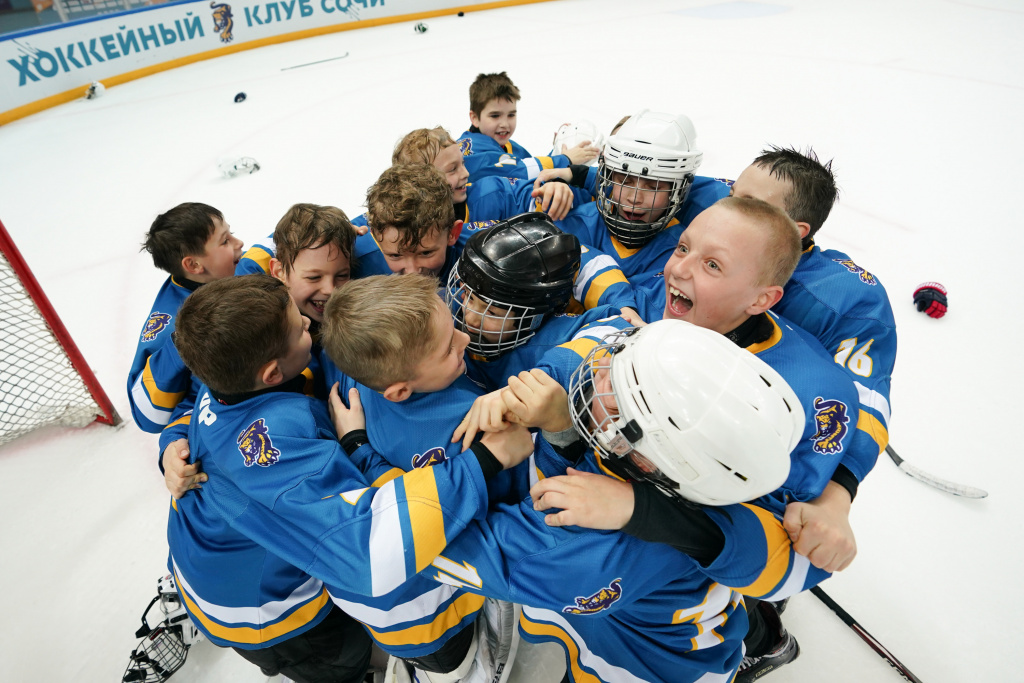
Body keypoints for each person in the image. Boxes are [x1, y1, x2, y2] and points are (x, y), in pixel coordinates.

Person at [166, 274, 533, 681]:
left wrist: (172, 440)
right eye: (298, 327)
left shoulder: (225, 382)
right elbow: (370, 548)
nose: (309, 323)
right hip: (265, 612)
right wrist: (482, 461)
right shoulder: (280, 442)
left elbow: (199, 415)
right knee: (342, 661)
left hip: (208, 565)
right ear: (271, 372)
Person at [431, 319, 831, 683]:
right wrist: (563, 427)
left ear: (642, 458)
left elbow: (412, 548)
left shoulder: (594, 549)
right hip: (688, 628)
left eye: (618, 394)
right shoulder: (709, 472)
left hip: (641, 669)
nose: (596, 373)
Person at [729, 146, 896, 476]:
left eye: (745, 203)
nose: (724, 208)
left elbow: (865, 402)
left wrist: (837, 491)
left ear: (796, 230)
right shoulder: (725, 213)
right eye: (732, 193)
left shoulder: (850, 298)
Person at [128, 202, 243, 499]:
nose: (239, 243)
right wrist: (186, 338)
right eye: (226, 241)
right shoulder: (172, 324)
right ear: (193, 265)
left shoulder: (228, 271)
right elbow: (147, 415)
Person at [443, 212, 635, 390]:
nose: (471, 317)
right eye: (467, 296)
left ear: (530, 318)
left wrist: (546, 378)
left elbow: (617, 329)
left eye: (492, 312)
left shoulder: (550, 339)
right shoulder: (446, 307)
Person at [553, 109, 725, 286]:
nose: (635, 198)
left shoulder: (683, 254)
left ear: (678, 191)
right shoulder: (573, 222)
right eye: (624, 181)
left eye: (653, 187)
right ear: (609, 177)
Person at [386, 126, 586, 224]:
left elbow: (524, 189)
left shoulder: (489, 194)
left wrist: (559, 180)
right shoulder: (391, 221)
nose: (466, 173)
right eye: (452, 169)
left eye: (462, 164)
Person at [459, 72, 597, 182]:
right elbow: (521, 171)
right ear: (475, 118)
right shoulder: (470, 151)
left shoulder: (510, 146)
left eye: (511, 115)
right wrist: (565, 159)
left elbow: (534, 169)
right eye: (495, 116)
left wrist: (558, 151)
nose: (505, 124)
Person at [353, 164, 463, 280]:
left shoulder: (480, 252)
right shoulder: (352, 260)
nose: (412, 272)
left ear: (453, 233)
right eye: (395, 255)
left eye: (426, 253)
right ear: (376, 236)